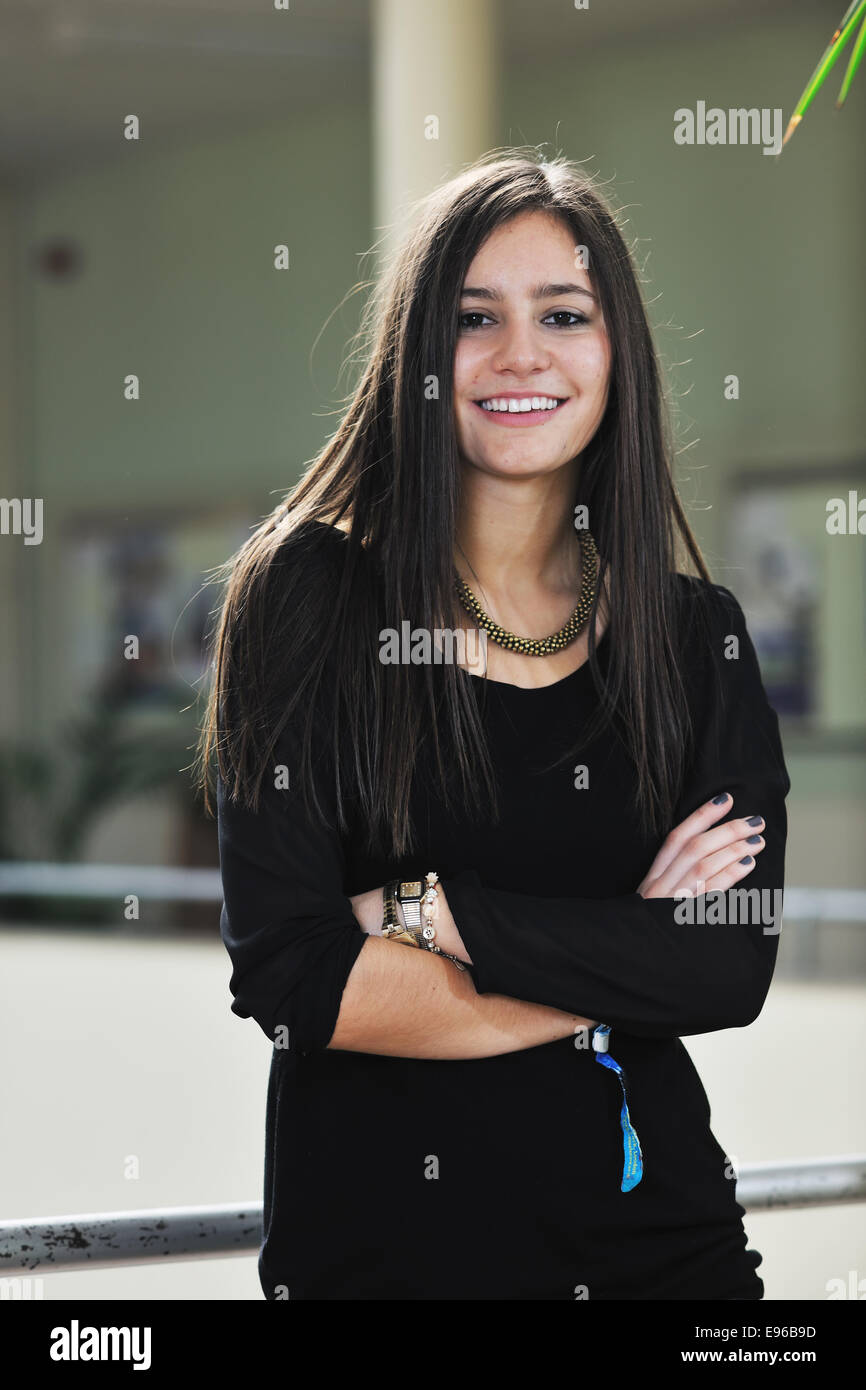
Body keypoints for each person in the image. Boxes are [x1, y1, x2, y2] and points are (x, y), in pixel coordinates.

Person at [196, 150, 790, 1300]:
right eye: (474, 317)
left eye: (563, 314)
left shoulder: (690, 636)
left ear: (617, 354)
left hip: (666, 1266)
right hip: (387, 1265)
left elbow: (726, 965)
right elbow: (298, 980)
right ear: (419, 353)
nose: (521, 354)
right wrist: (634, 940)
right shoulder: (309, 599)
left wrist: (426, 915)